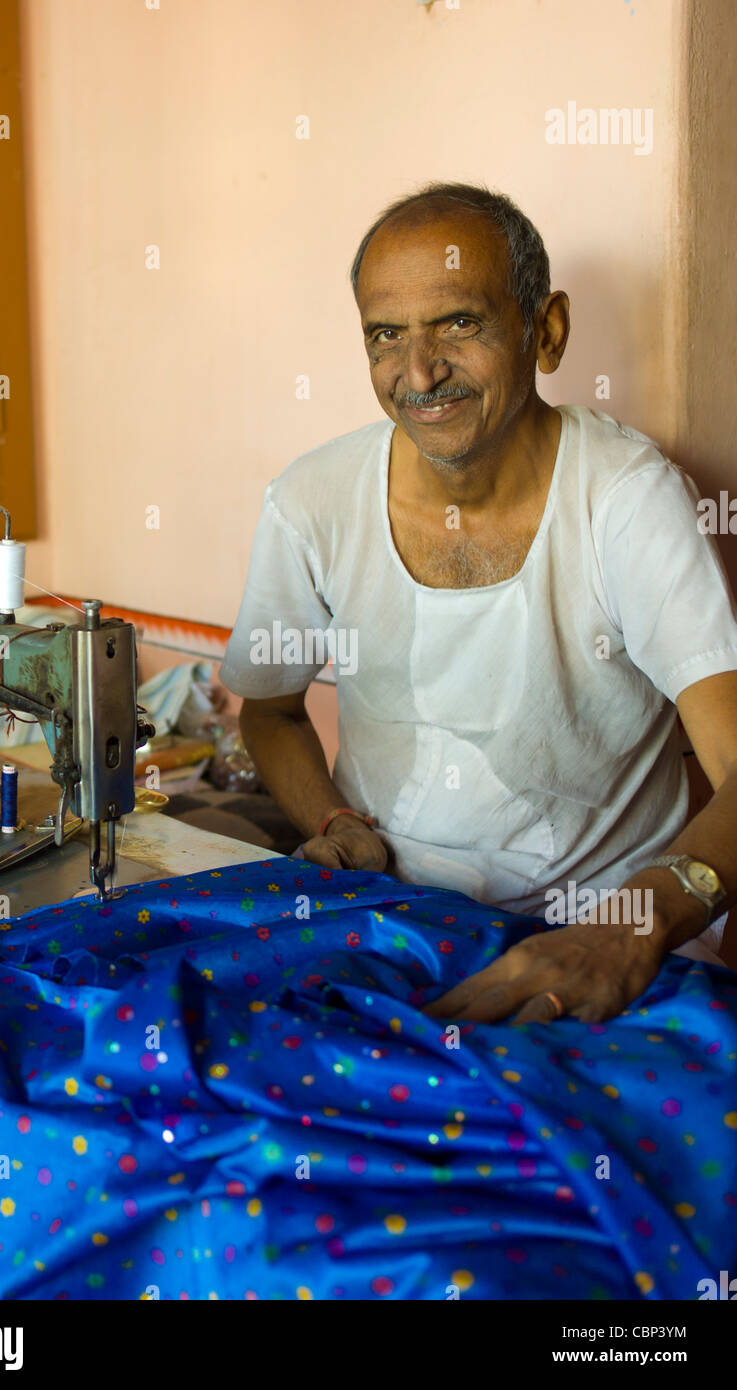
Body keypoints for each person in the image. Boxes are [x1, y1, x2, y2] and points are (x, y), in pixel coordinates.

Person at [218, 183, 737, 1024]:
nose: (417, 374)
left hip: (610, 940)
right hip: (390, 923)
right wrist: (335, 820)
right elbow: (270, 713)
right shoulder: (310, 501)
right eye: (387, 336)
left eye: (459, 323)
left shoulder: (625, 499)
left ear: (546, 329)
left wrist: (631, 927)